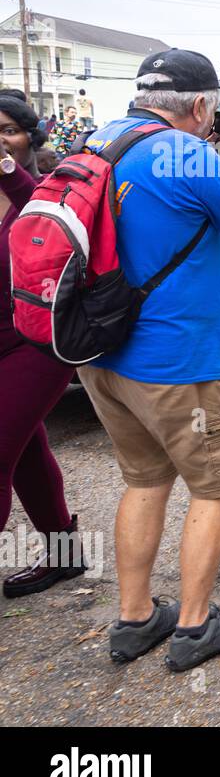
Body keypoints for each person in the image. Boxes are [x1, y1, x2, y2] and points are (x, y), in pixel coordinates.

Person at [75, 49, 220, 669]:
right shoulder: (187, 153)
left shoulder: (98, 140)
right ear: (199, 106)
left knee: (144, 480)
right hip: (179, 362)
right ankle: (193, 629)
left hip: (103, 355)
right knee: (215, 486)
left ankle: (135, 620)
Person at [0, 97, 83, 597]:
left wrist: (7, 168)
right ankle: (67, 555)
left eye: (8, 131)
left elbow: (40, 218)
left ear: (33, 137)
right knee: (25, 447)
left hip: (36, 341)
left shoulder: (45, 191)